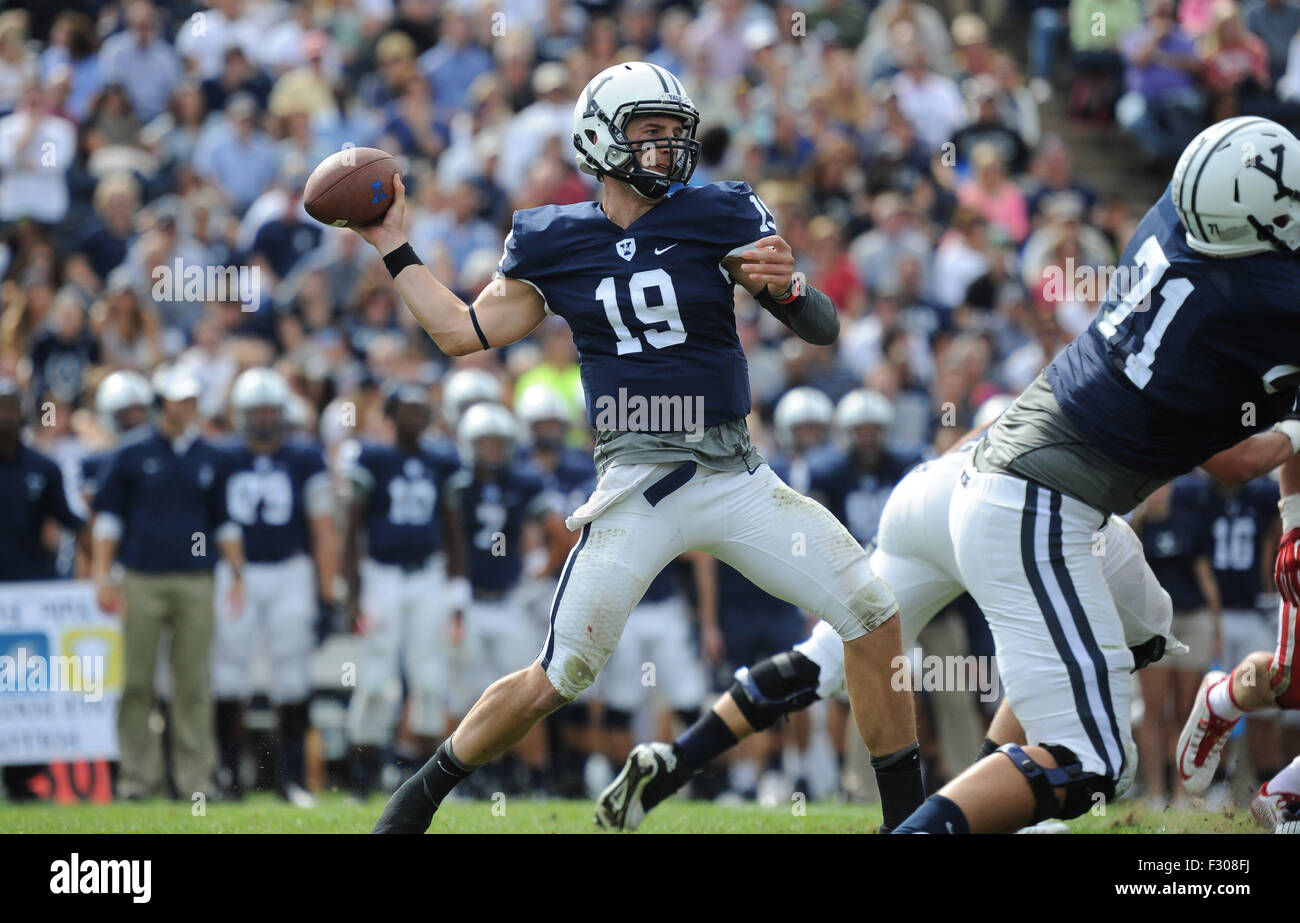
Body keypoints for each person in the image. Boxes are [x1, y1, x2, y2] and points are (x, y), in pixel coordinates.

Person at [360, 61, 921, 834]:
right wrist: (392, 242)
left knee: (873, 613)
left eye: (673, 133)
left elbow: (820, 327)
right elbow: (462, 331)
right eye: (648, 133)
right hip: (636, 484)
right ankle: (414, 801)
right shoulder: (553, 237)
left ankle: (909, 823)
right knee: (561, 674)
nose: (666, 148)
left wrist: (792, 290)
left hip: (734, 474)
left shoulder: (719, 212)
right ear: (599, 138)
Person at [896, 116, 1300, 834]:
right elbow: (1234, 464)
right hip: (1039, 504)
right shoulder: (1246, 305)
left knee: (1144, 625)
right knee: (1094, 763)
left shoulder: (1173, 216)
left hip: (1038, 486)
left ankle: (1010, 805)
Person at [595, 403, 1190, 830]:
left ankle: (676, 761)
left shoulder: (1054, 389)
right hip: (1015, 512)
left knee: (823, 658)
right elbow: (1229, 467)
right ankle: (974, 806)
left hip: (931, 492)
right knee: (1116, 677)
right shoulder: (1128, 408)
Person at [91, 364, 245, 800]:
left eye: (193, 400)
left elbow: (224, 523)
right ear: (163, 403)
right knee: (137, 682)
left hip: (196, 579)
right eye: (181, 400)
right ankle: (138, 781)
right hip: (141, 578)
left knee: (193, 684)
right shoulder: (131, 453)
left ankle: (196, 782)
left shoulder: (211, 456)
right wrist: (104, 574)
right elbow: (108, 520)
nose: (189, 407)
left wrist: (238, 574)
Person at [211, 367, 337, 807]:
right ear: (241, 414)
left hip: (290, 570)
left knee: (293, 674)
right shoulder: (223, 457)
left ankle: (293, 777)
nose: (264, 419)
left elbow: (323, 528)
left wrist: (326, 594)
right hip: (238, 574)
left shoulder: (304, 457)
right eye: (256, 411)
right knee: (228, 672)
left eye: (270, 411)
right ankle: (228, 774)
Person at [340, 383, 464, 798]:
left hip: (428, 576)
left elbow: (452, 528)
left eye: (420, 410)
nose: (414, 418)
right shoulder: (372, 457)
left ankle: (422, 776)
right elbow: (352, 527)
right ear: (390, 415)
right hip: (382, 576)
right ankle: (363, 771)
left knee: (429, 678)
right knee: (375, 680)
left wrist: (457, 586)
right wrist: (352, 591)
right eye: (406, 411)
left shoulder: (442, 459)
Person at [444, 401, 569, 795]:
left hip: (509, 600)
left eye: (499, 443)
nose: (494, 451)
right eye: (486, 443)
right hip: (468, 602)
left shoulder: (523, 482)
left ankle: (534, 779)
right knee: (463, 694)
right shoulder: (455, 483)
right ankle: (463, 781)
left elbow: (562, 535)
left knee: (525, 695)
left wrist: (537, 573)